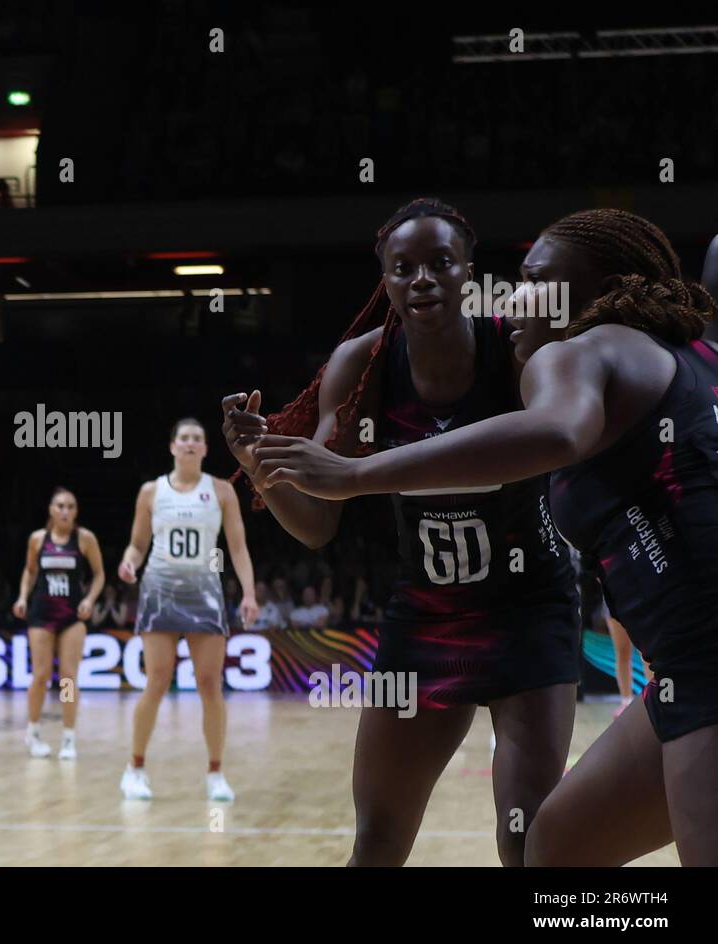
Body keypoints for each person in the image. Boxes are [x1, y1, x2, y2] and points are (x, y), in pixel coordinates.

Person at [261, 208, 718, 865]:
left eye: (532, 279)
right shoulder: (695, 353)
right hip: (673, 665)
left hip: (688, 655)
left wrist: (357, 474)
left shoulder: (579, 350)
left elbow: (557, 432)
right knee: (555, 850)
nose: (512, 296)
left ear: (585, 293)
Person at [223, 198, 581, 866]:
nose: (422, 278)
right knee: (378, 844)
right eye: (404, 267)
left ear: (468, 272)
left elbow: (563, 441)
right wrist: (262, 468)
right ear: (384, 281)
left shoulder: (517, 352)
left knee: (525, 840)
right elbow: (317, 529)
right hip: (425, 618)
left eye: (441, 263)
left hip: (528, 610)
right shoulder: (361, 364)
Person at [118, 418, 259, 802]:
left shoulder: (222, 491)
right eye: (184, 438)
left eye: (198, 438)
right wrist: (129, 563)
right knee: (158, 679)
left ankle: (215, 774)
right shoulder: (151, 491)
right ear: (173, 446)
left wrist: (248, 592)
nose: (191, 443)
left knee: (210, 684)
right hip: (160, 589)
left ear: (205, 449)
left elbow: (238, 548)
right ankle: (135, 768)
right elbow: (136, 545)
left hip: (205, 591)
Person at [12, 487, 105, 759]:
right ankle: (33, 732)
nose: (66, 511)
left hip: (72, 617)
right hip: (41, 615)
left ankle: (68, 737)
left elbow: (99, 575)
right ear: (51, 510)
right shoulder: (37, 539)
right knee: (40, 676)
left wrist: (89, 600)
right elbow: (29, 572)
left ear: (76, 511)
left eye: (71, 507)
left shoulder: (85, 539)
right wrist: (21, 597)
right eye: (61, 506)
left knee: (68, 678)